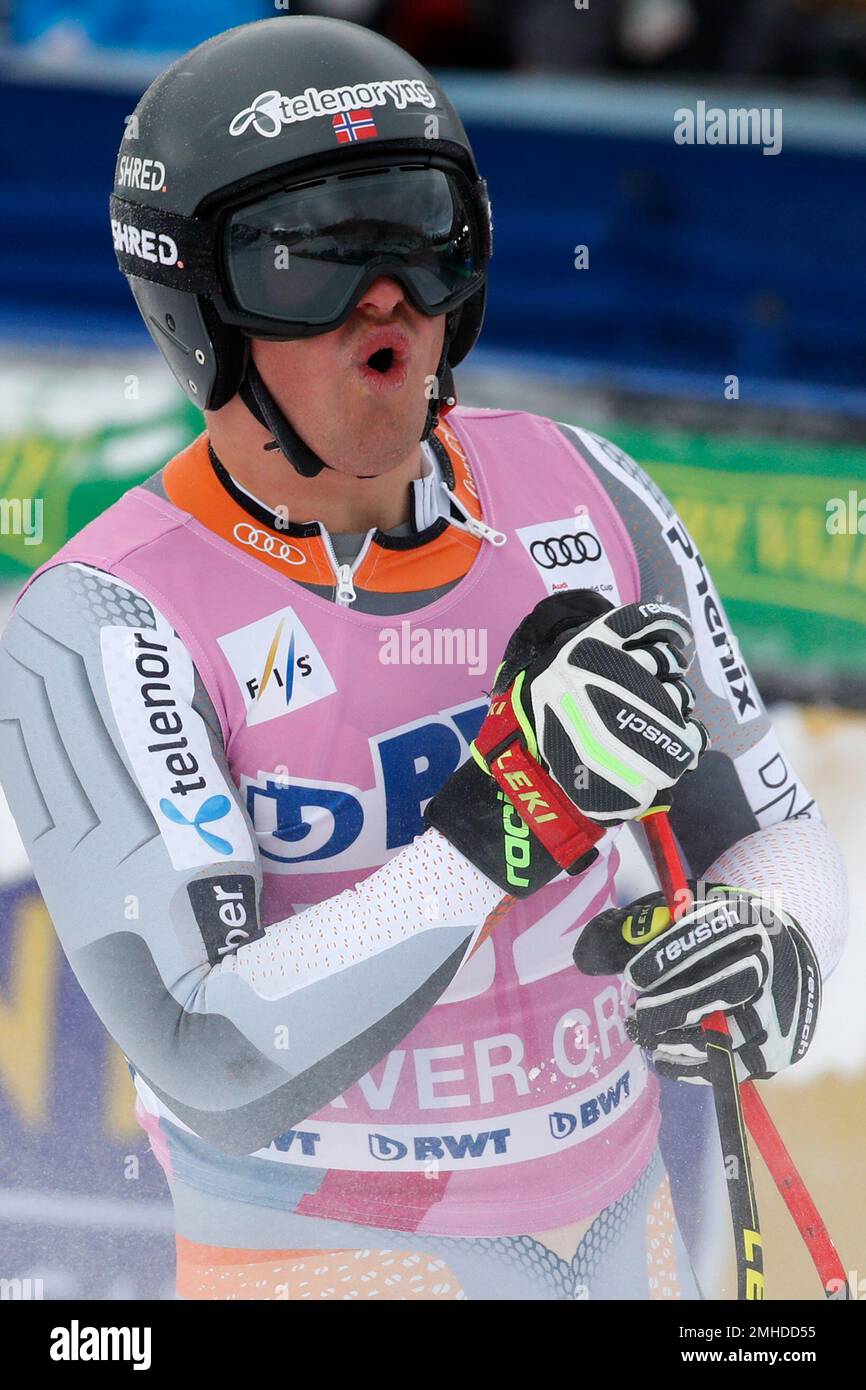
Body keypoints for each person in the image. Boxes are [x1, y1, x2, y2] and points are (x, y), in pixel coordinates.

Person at [0, 14, 847, 1301]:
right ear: (196, 304)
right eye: (308, 260)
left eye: (419, 232)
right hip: (322, 1259)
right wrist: (508, 816)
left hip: (626, 1233)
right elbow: (209, 1059)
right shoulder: (104, 623)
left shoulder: (584, 493)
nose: (384, 294)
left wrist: (771, 938)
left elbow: (762, 821)